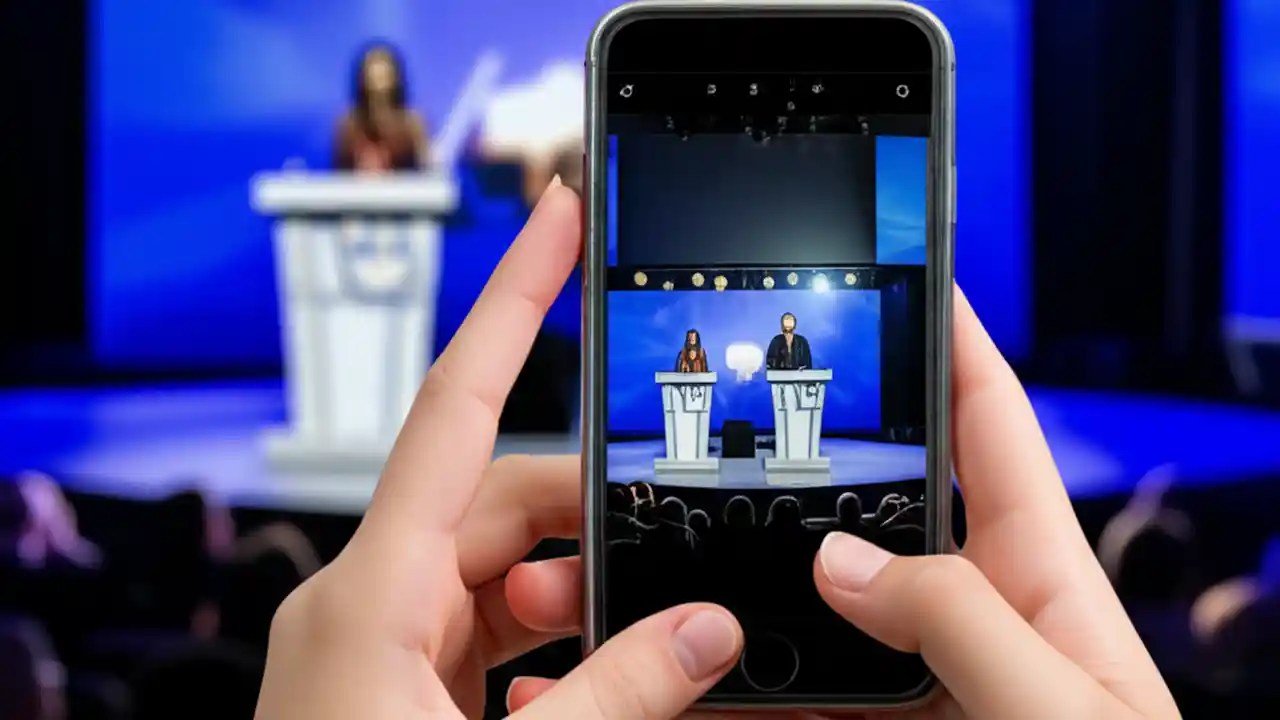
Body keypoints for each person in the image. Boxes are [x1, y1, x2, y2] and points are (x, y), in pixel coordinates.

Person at [255, 177, 1179, 719]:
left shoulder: (794, 352)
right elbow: (694, 374)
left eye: (790, 324)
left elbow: (792, 371)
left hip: (794, 410)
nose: (785, 328)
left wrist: (790, 367)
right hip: (705, 414)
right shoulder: (698, 357)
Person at [334, 43, 428, 172]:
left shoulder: (412, 123)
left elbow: (425, 168)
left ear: (396, 75)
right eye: (373, 67)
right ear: (362, 76)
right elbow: (338, 173)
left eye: (384, 67)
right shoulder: (348, 124)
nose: (378, 73)